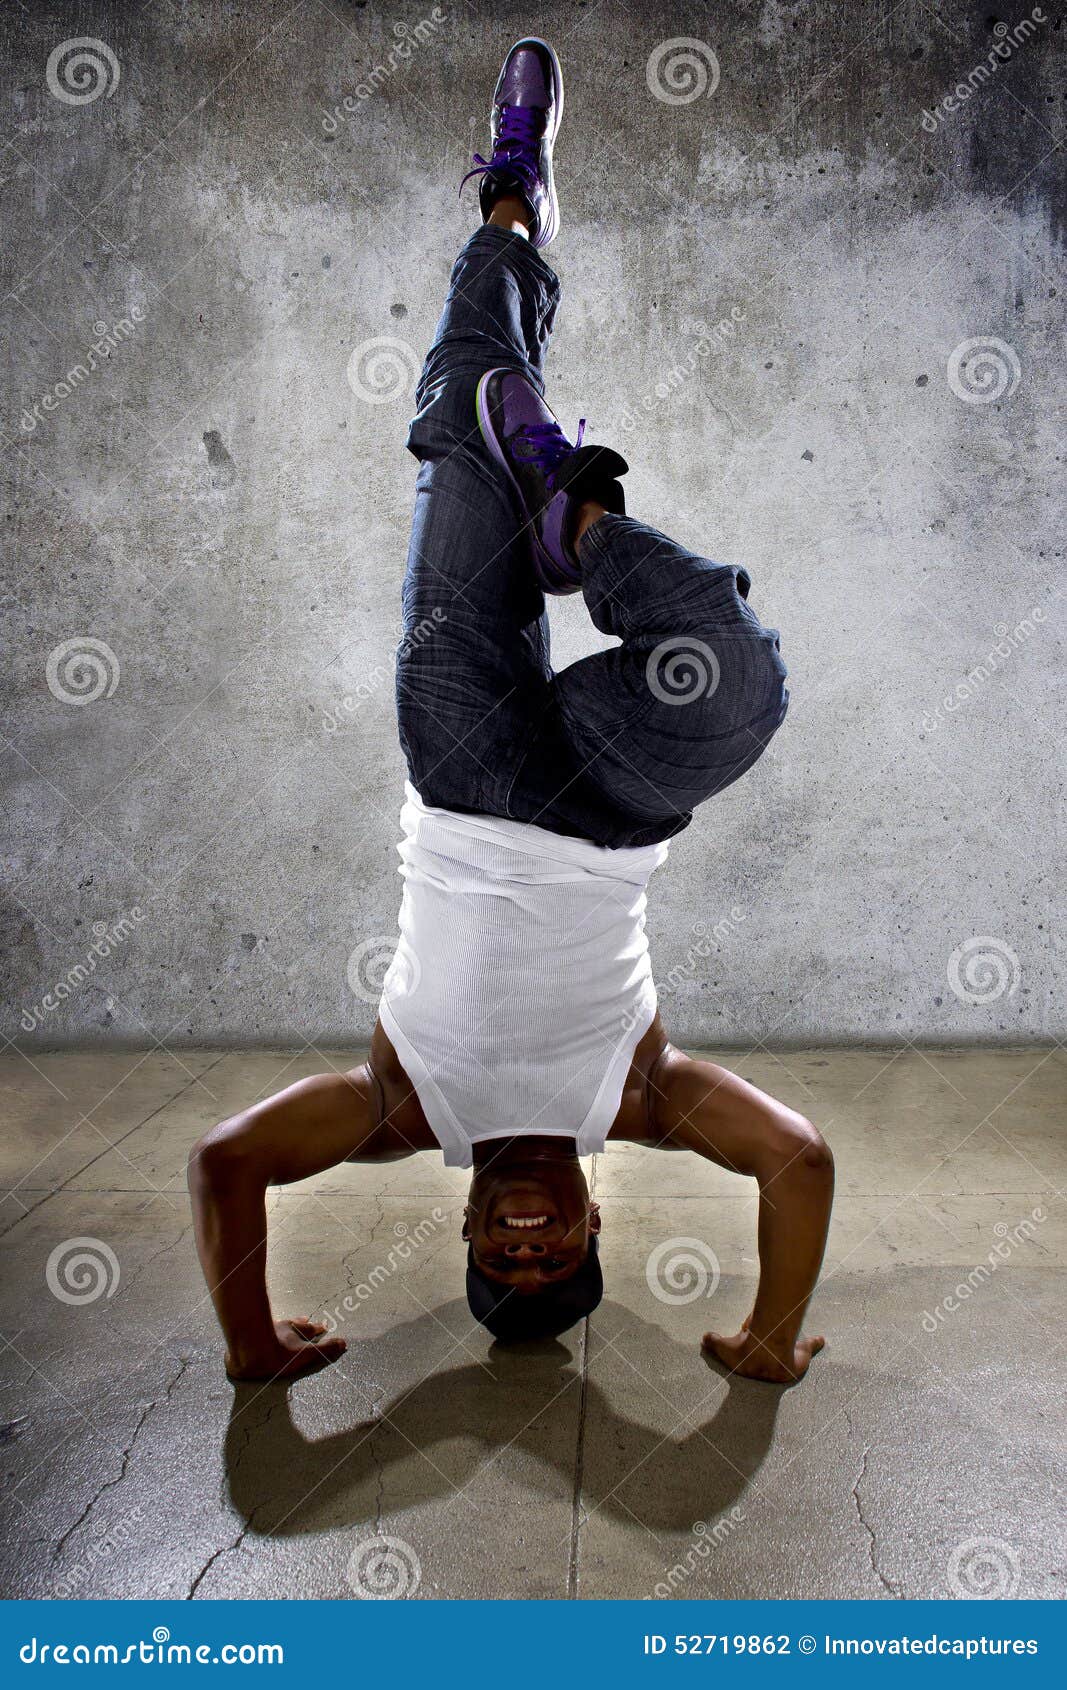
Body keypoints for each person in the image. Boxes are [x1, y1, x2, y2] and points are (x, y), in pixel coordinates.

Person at [189, 38, 833, 1386]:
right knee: (740, 674)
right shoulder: (643, 1102)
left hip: (464, 757)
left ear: (468, 1228)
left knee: (461, 412)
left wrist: (252, 1346)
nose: (527, 1244)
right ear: (600, 1217)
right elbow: (800, 1158)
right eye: (555, 1258)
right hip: (612, 804)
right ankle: (580, 518)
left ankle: (510, 203)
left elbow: (226, 1162)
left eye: (502, 1264)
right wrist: (769, 1335)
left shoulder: (401, 1107)